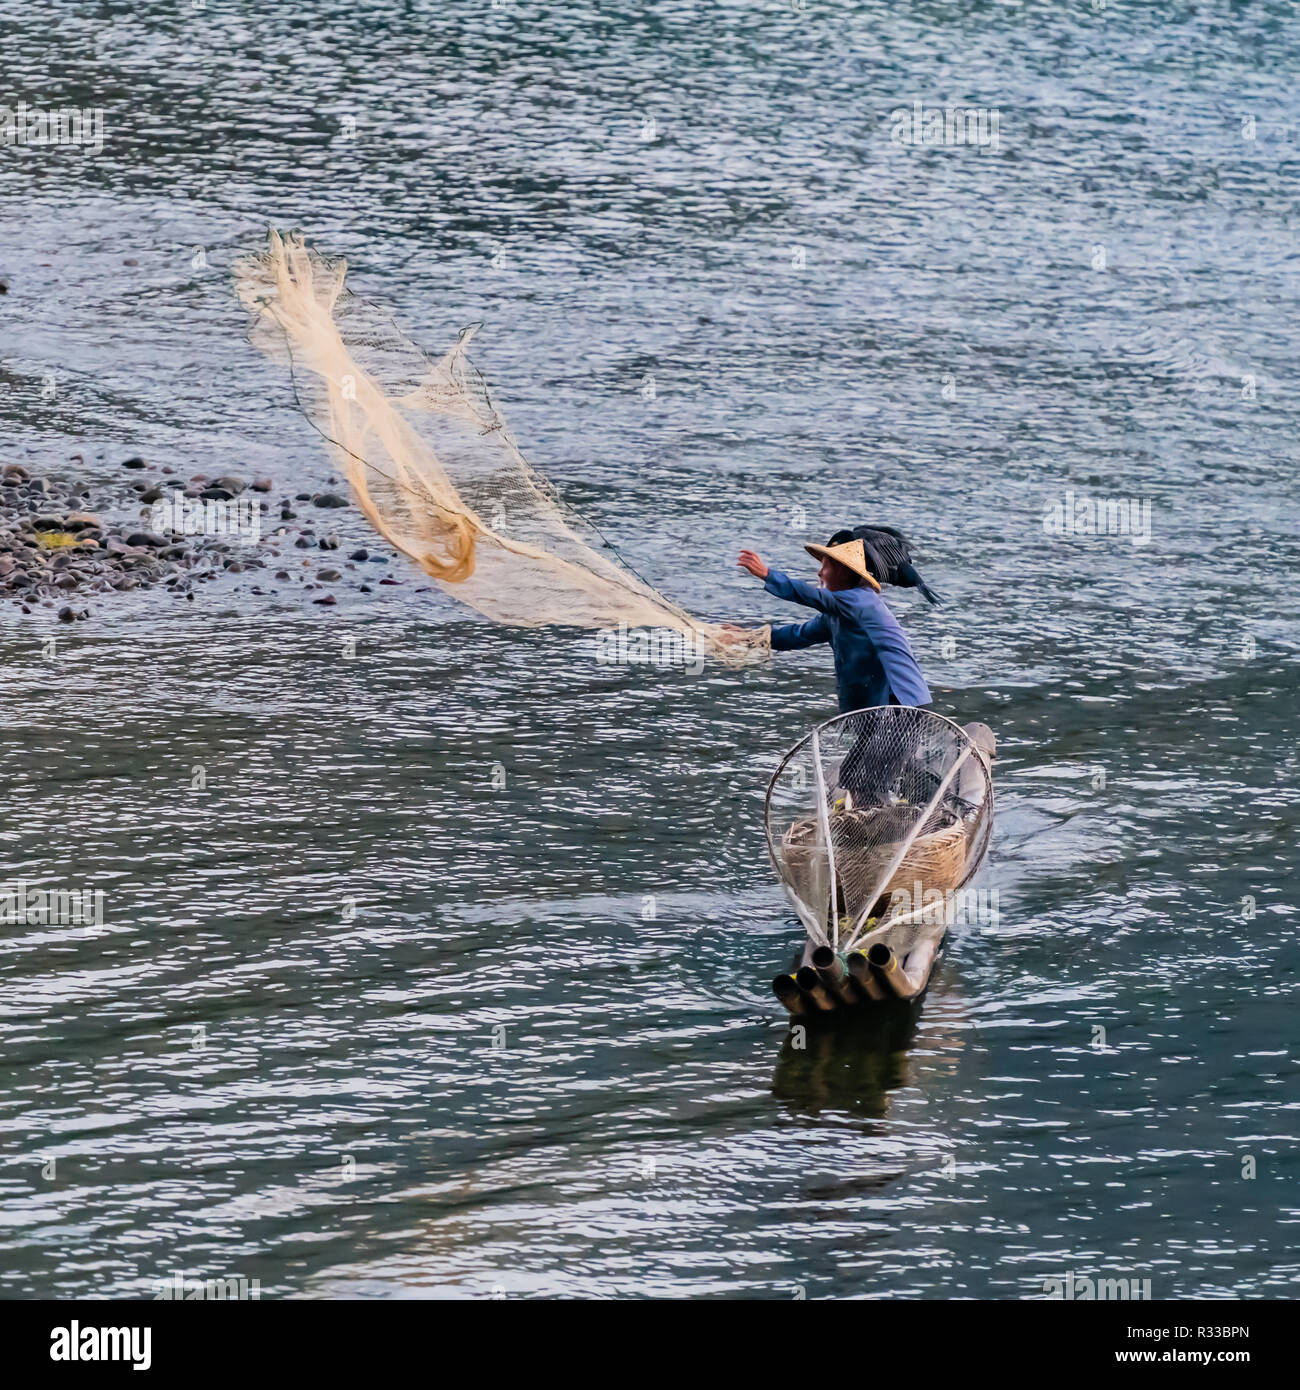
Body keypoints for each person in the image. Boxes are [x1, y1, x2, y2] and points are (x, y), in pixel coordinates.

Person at [737, 535, 932, 713]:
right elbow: (798, 635)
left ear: (842, 572)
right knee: (863, 753)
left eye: (825, 567)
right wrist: (747, 638)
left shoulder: (860, 600)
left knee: (881, 752)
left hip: (901, 701)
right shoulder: (834, 615)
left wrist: (767, 574)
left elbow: (811, 596)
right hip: (873, 709)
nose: (820, 573)